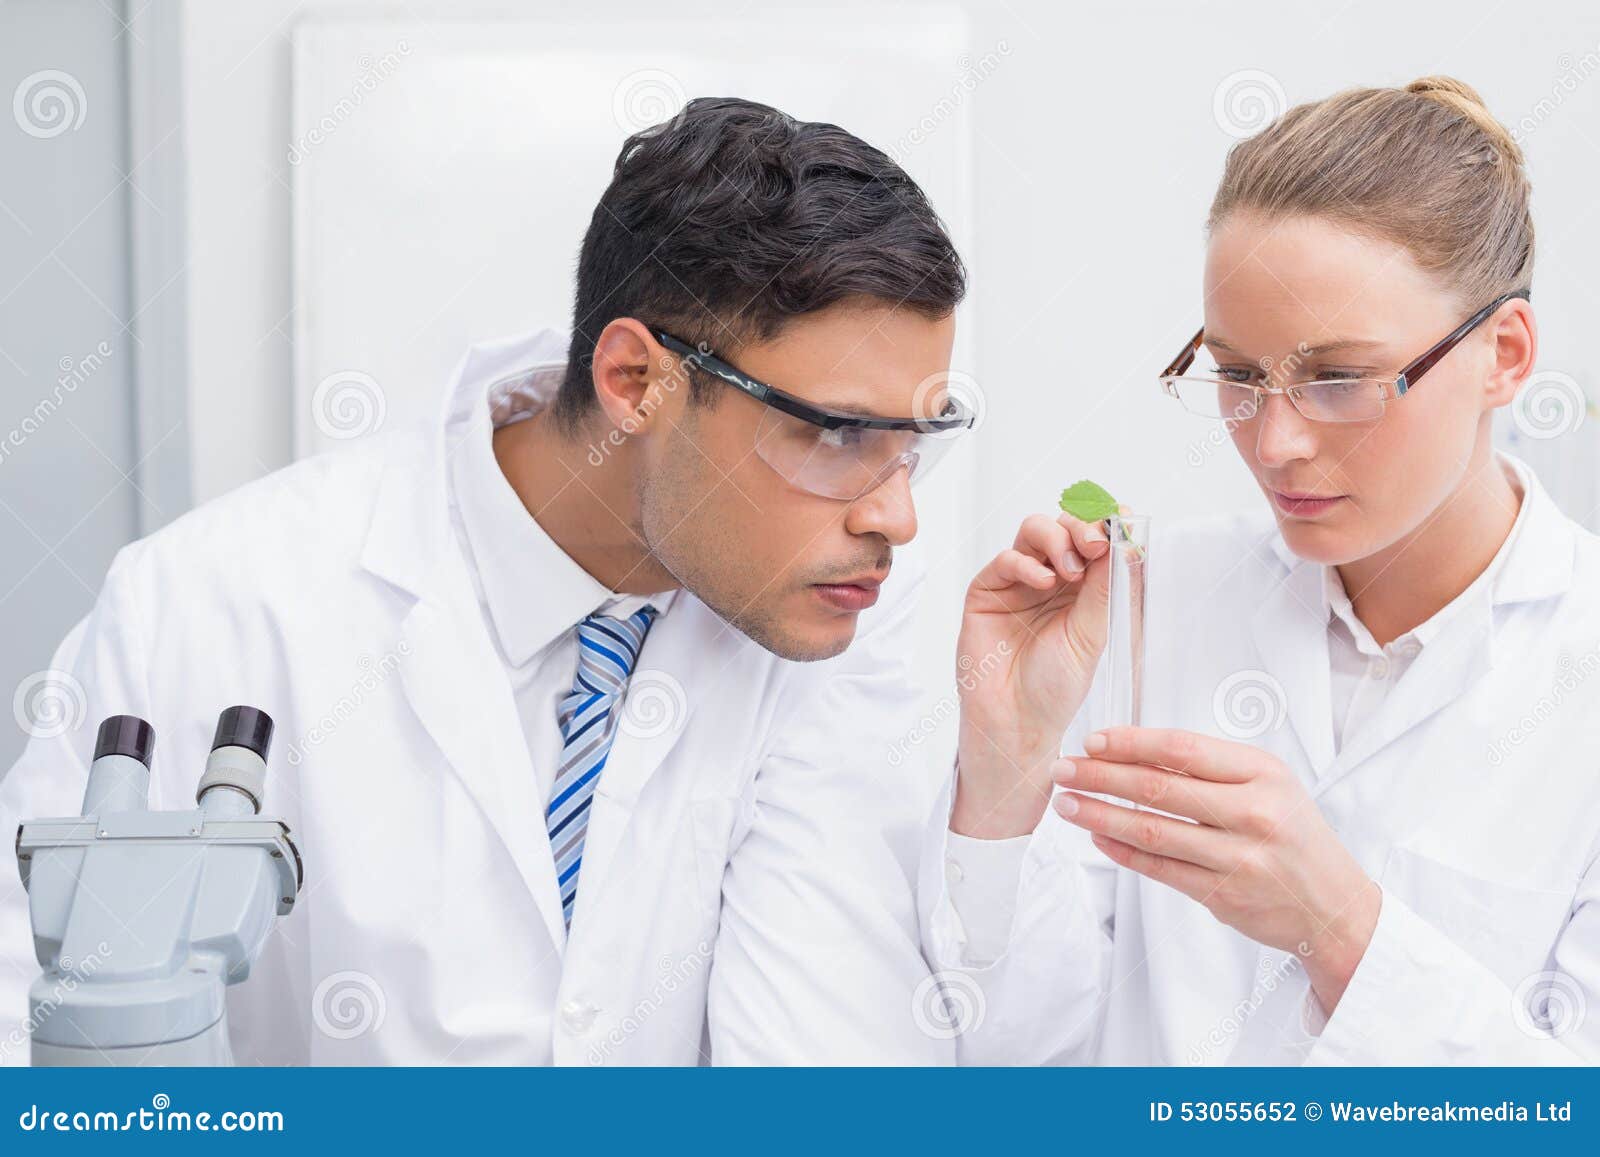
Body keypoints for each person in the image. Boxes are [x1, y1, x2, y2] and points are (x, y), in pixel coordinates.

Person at [0, 97, 973, 1065]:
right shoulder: (209, 602)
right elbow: (35, 1025)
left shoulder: (830, 596)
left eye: (911, 443)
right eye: (836, 432)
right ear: (636, 381)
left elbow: (826, 1059)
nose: (895, 515)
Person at [929, 77, 1600, 1064]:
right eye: (1238, 375)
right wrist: (1006, 768)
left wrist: (1341, 931)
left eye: (1337, 379)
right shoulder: (1140, 605)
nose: (1275, 441)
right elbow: (1019, 1059)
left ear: (1502, 354)